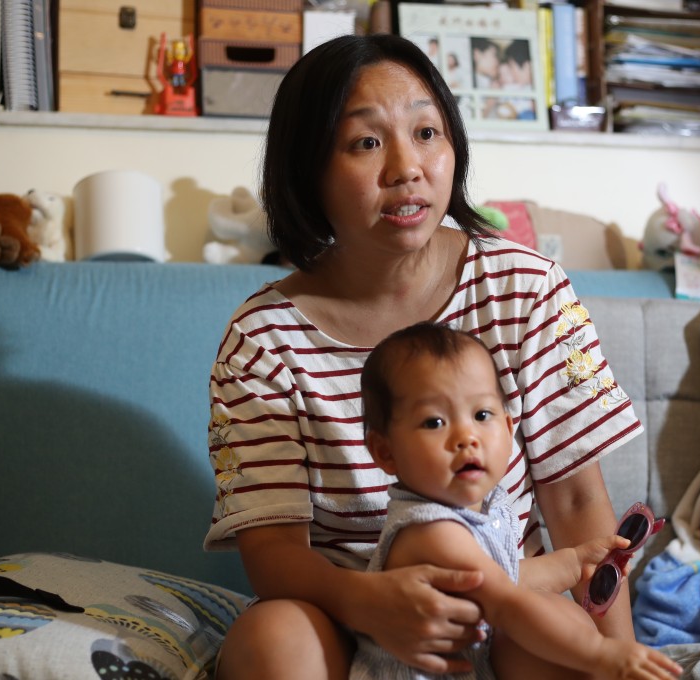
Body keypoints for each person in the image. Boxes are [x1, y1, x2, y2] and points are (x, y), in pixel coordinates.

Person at [205, 33, 644, 679]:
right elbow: (273, 553)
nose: (406, 167)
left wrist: (621, 660)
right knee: (271, 638)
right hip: (348, 617)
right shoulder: (263, 339)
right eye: (365, 142)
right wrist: (371, 602)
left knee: (567, 639)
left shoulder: (525, 289)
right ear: (308, 169)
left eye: (427, 133)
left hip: (506, 611)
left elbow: (578, 505)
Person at [351, 321, 682, 679]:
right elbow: (506, 603)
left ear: (509, 430)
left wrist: (575, 563)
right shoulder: (429, 532)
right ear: (385, 452)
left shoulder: (489, 505)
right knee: (540, 624)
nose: (466, 437)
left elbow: (508, 577)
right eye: (434, 422)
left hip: (473, 663)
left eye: (481, 415)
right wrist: (602, 652)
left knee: (563, 613)